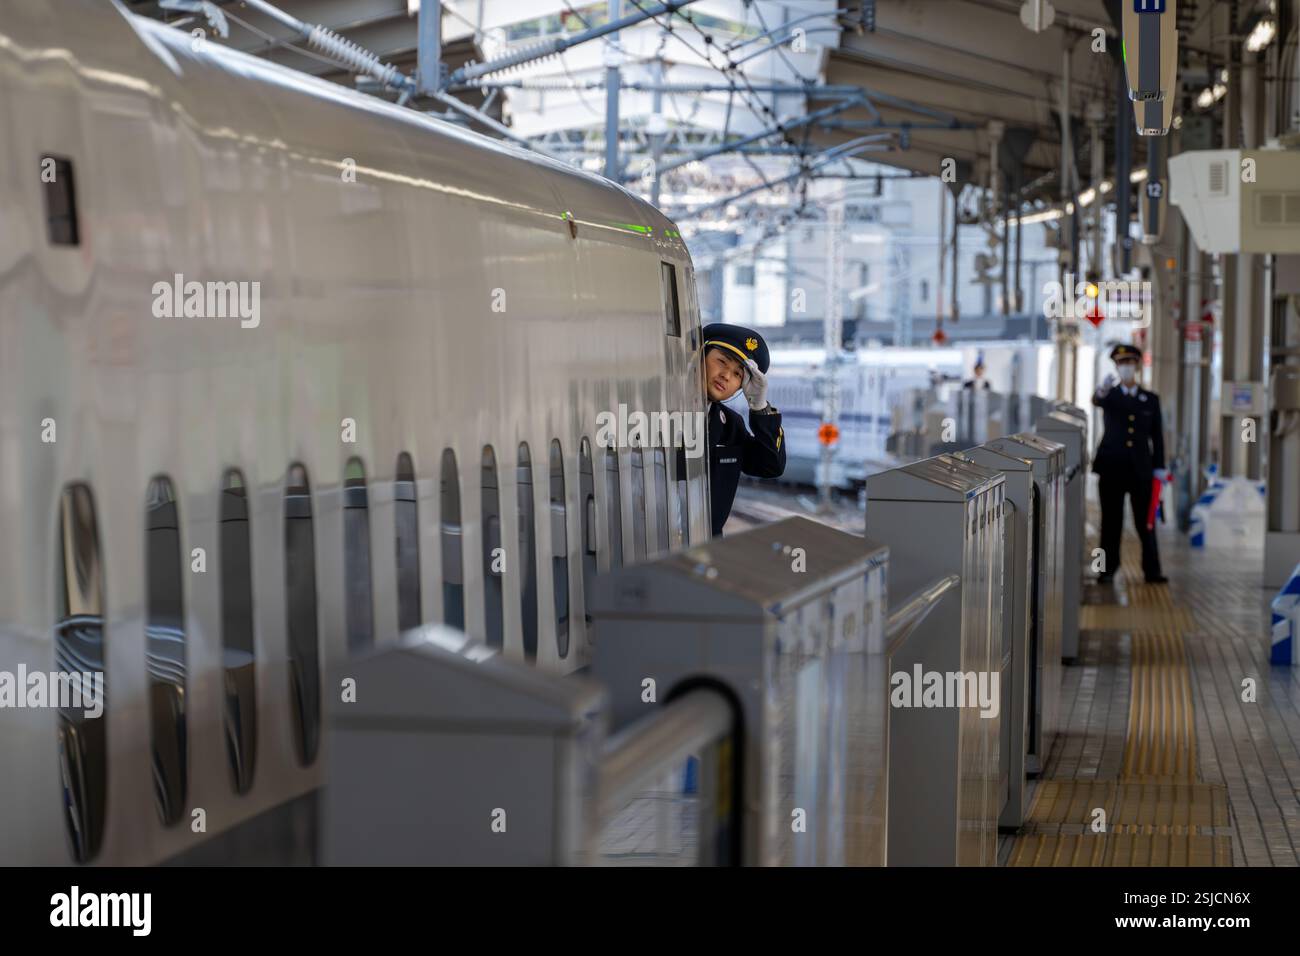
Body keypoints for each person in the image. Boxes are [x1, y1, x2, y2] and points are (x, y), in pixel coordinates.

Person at [698, 323, 786, 536]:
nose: (726, 376)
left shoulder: (730, 426)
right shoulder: (659, 410)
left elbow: (770, 466)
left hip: (707, 548)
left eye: (738, 374)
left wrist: (759, 406)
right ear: (700, 356)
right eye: (721, 362)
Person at [1092, 343, 1168, 584]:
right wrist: (1102, 389)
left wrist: (1159, 468)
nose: (1126, 367)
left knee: (1145, 523)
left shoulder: (1150, 400)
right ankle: (1106, 570)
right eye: (1121, 364)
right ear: (1116, 366)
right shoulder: (1109, 395)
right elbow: (1097, 400)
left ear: (1137, 366)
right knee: (1109, 523)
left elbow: (1157, 436)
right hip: (1111, 468)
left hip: (1141, 471)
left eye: (1130, 363)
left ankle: (1152, 571)